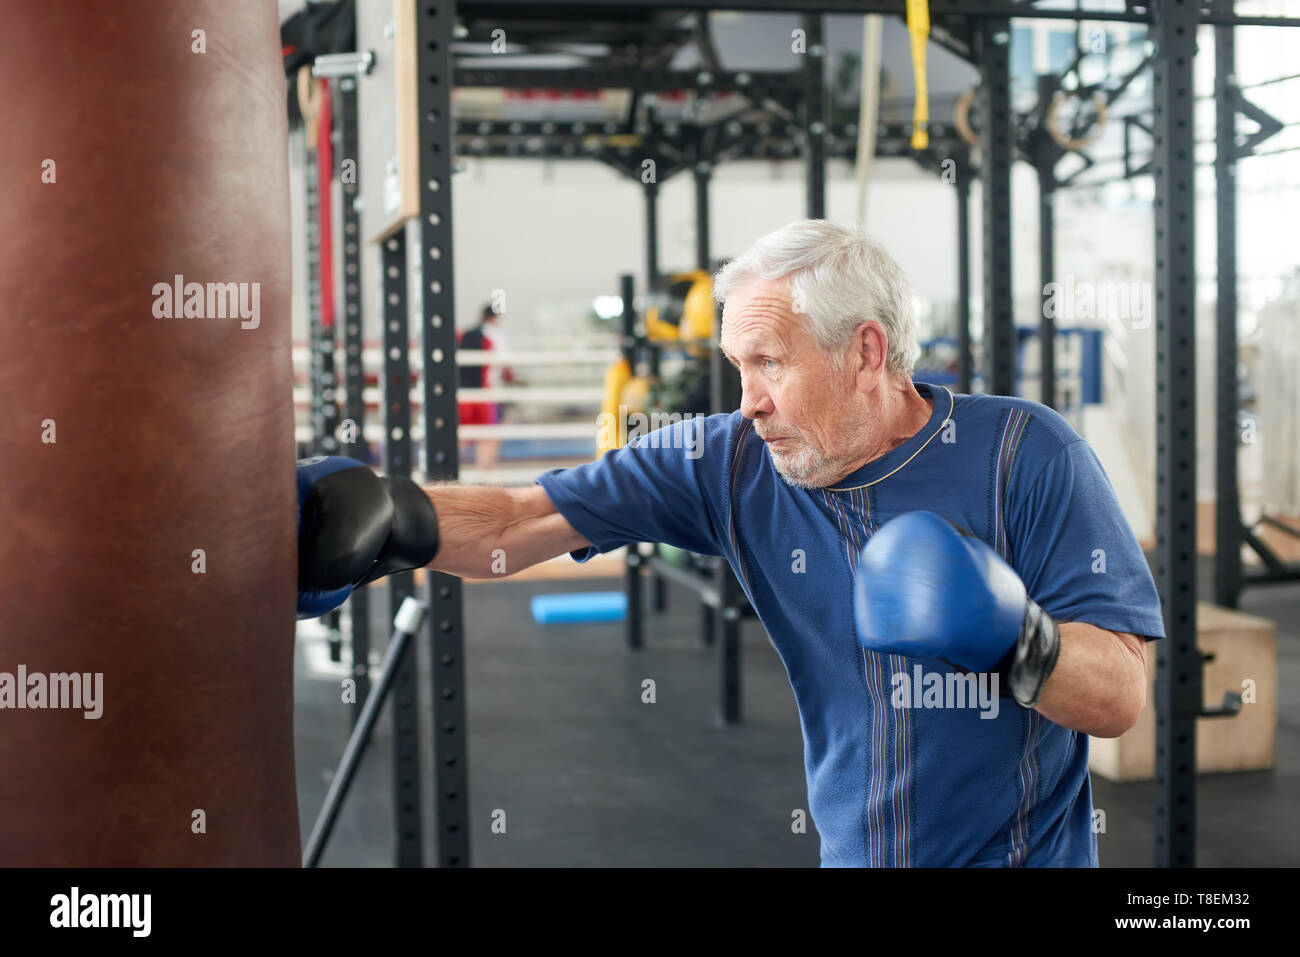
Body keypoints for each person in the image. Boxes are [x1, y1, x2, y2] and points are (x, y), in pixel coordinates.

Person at [297, 219, 1164, 867]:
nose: (746, 399)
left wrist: (1014, 636)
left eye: (770, 363)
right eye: (736, 367)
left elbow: (1122, 694)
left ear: (866, 351)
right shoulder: (729, 460)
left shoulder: (1027, 453)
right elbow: (524, 521)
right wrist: (395, 516)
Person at [457, 302, 515, 472]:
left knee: (460, 438)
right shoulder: (496, 335)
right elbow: (506, 365)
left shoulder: (465, 333)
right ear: (495, 318)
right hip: (486, 395)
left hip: (463, 395)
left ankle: (441, 475)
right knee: (489, 437)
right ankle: (485, 477)